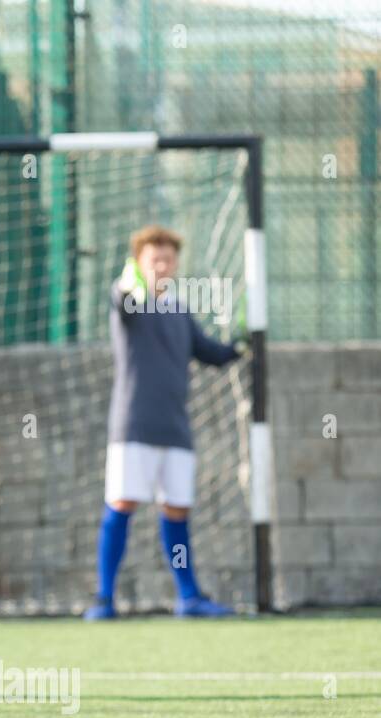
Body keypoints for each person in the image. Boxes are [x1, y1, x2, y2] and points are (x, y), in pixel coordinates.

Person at [84, 225, 245, 620]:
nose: (162, 265)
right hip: (134, 427)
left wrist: (240, 347)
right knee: (121, 504)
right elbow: (122, 302)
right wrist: (130, 286)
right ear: (139, 262)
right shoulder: (128, 301)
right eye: (154, 258)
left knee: (177, 511)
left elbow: (208, 351)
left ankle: (188, 596)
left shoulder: (179, 309)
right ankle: (104, 597)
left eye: (168, 259)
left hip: (176, 429)